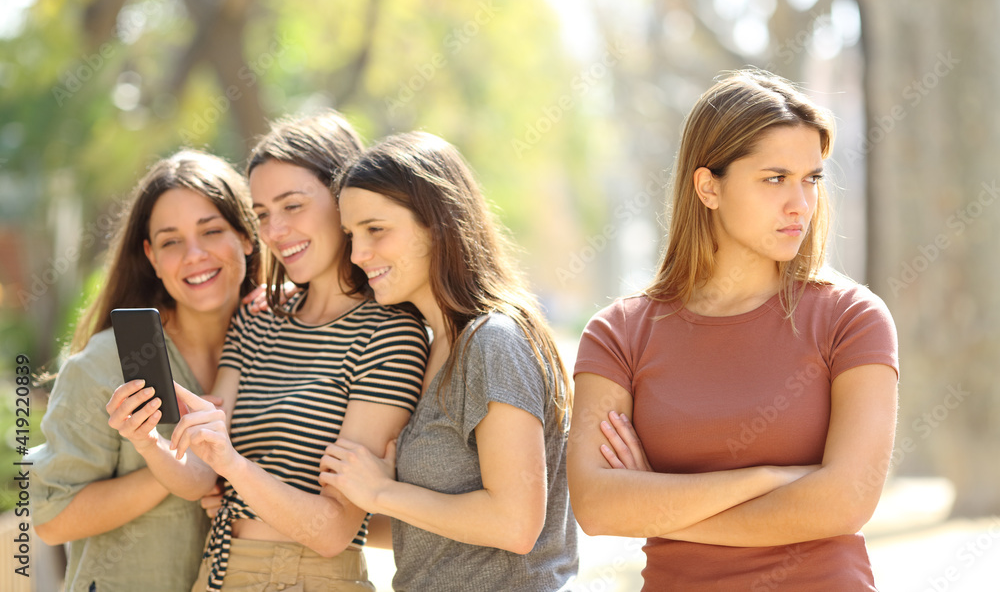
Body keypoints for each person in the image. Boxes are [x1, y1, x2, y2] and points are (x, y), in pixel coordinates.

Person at [567, 69, 899, 591]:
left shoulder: (851, 319)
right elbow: (595, 506)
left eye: (811, 178)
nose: (801, 204)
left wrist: (658, 501)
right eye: (775, 178)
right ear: (708, 186)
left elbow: (847, 501)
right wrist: (768, 480)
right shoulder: (619, 334)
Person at [106, 112, 429, 592]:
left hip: (306, 579)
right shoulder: (258, 318)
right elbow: (200, 474)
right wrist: (146, 441)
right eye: (261, 214)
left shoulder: (389, 334)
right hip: (218, 571)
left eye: (292, 206)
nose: (275, 231)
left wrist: (234, 467)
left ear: (345, 201)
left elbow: (334, 530)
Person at [318, 131, 579, 592]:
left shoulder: (493, 340)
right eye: (352, 235)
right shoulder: (433, 344)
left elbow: (515, 524)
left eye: (376, 230)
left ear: (439, 223)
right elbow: (430, 535)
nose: (358, 255)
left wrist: (381, 491)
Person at [28, 150, 262, 592]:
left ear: (248, 236)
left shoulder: (280, 348)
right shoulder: (105, 364)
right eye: (172, 241)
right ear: (152, 256)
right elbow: (51, 520)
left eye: (211, 231)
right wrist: (183, 470)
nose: (194, 254)